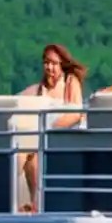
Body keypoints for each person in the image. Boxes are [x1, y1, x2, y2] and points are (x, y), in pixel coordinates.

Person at [16, 43, 87, 212]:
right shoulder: (41, 89)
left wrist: (48, 128)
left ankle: (34, 203)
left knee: (31, 148)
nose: (50, 67)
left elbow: (76, 114)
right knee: (24, 152)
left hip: (63, 135)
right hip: (41, 138)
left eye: (54, 63)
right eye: (46, 63)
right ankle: (31, 203)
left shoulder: (70, 82)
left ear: (62, 64)